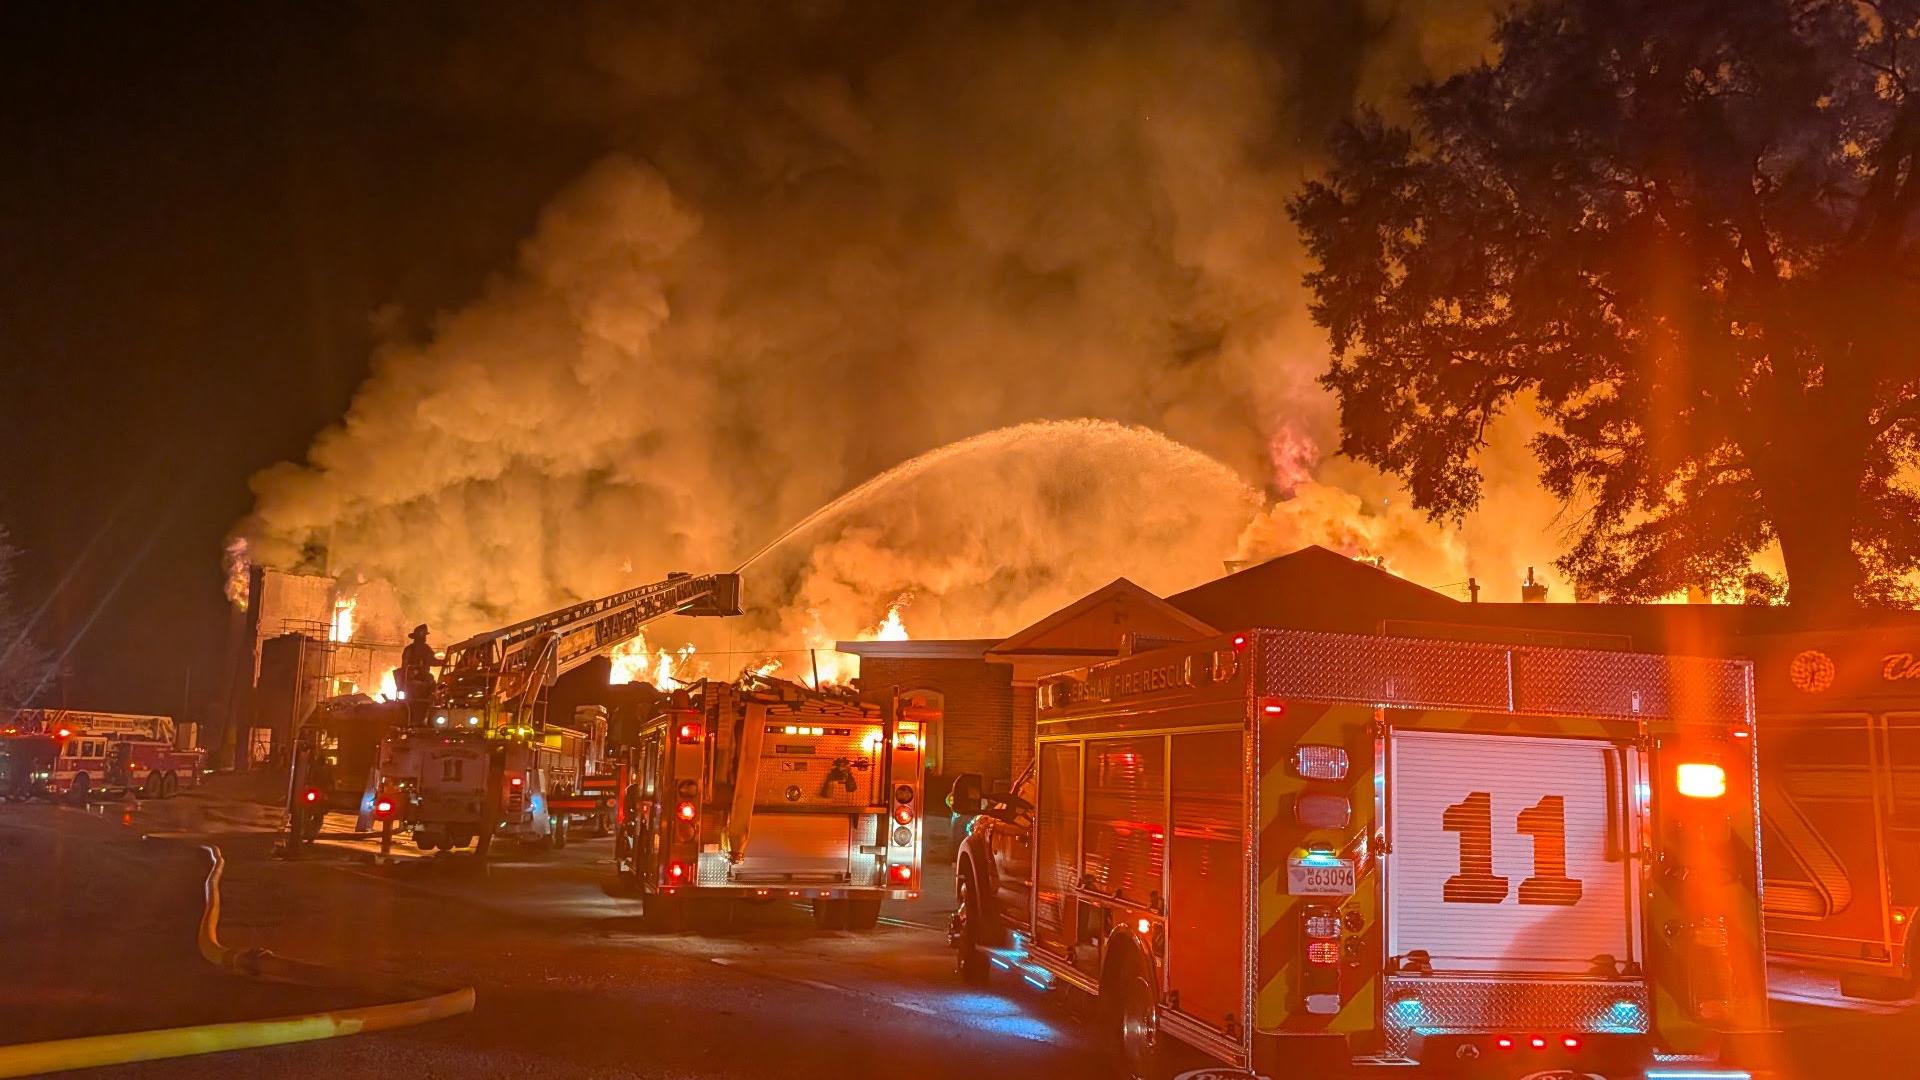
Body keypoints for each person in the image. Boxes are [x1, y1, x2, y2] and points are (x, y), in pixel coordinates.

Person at [400, 625, 436, 721]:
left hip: (410, 682)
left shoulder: (409, 649)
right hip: (417, 681)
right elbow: (432, 661)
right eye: (423, 636)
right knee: (432, 682)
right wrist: (444, 662)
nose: (424, 638)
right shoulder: (423, 649)